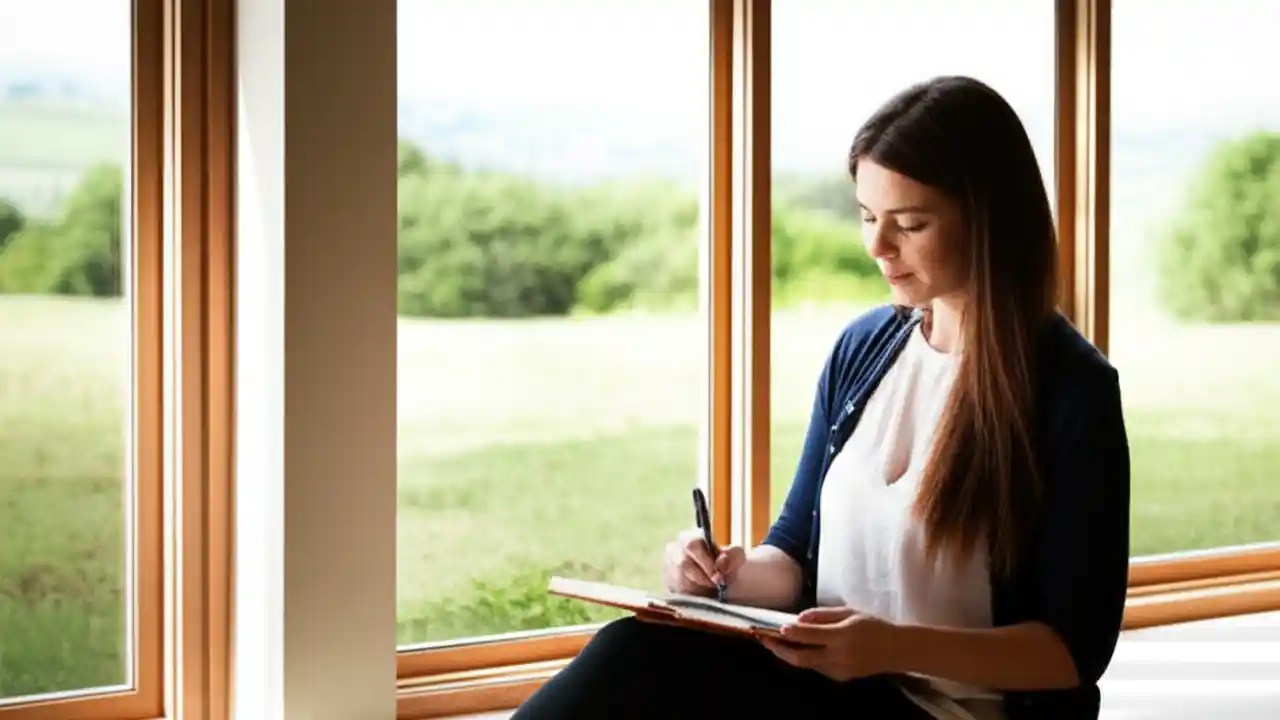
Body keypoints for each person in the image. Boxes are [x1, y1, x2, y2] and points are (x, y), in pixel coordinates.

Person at [512, 75, 1130, 720]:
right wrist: (725, 574)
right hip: (834, 692)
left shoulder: (1071, 391)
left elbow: (1070, 653)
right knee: (638, 647)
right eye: (867, 217)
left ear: (989, 218)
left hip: (947, 712)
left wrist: (890, 646)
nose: (877, 246)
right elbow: (794, 557)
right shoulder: (864, 347)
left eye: (910, 224)